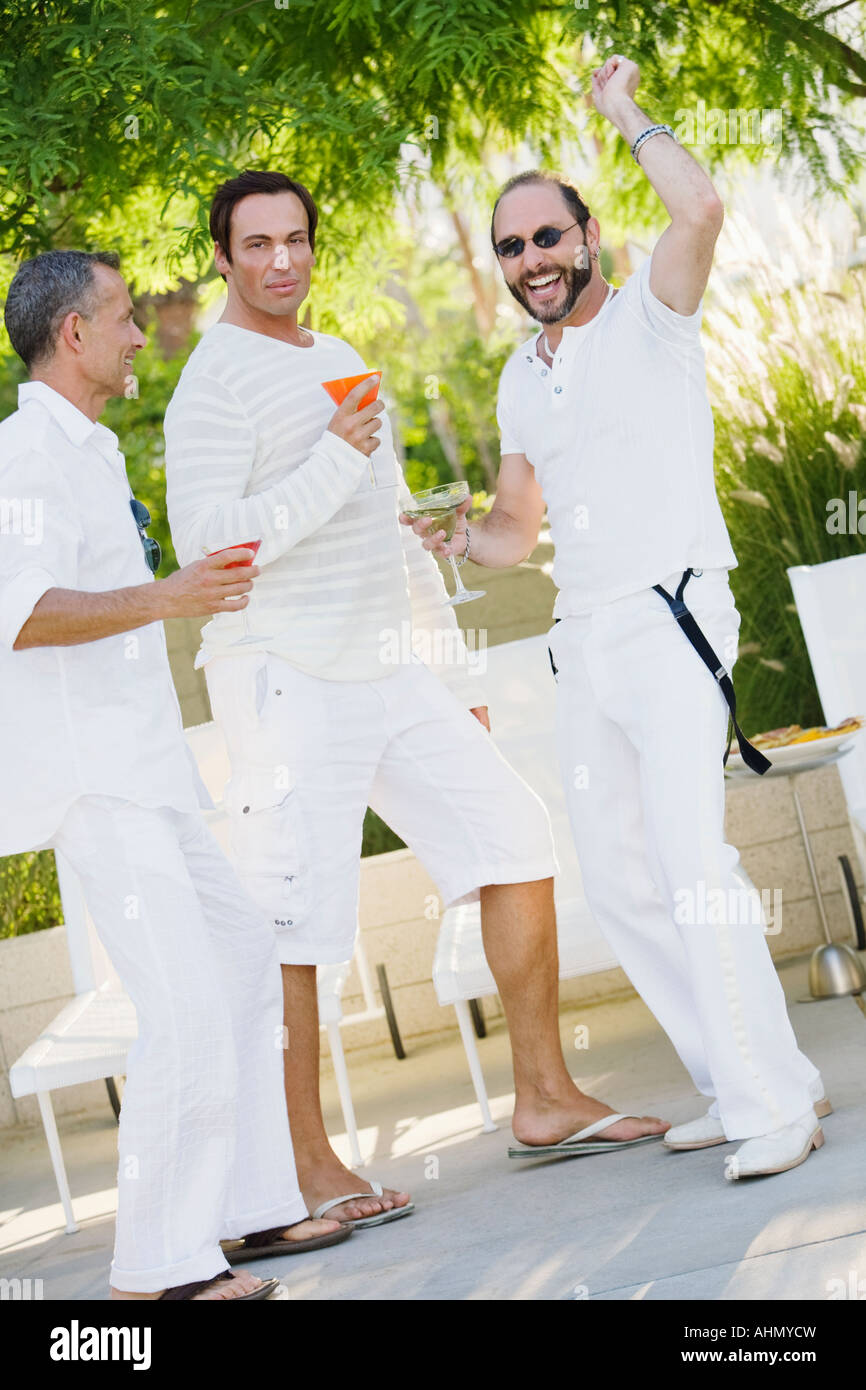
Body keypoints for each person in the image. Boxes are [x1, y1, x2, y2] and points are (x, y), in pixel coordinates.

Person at [163, 170, 669, 1227]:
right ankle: (307, 1166)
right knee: (298, 924)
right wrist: (327, 466)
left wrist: (447, 667)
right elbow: (209, 547)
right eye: (255, 245)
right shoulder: (209, 383)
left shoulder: (338, 359)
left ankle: (539, 1097)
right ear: (220, 255)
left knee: (513, 837)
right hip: (282, 672)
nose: (280, 262)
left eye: (295, 240)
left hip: (388, 664)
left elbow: (393, 519)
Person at [406, 54, 831, 1181]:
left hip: (671, 616)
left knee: (692, 863)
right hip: (580, 637)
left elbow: (699, 204)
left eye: (546, 236)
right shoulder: (516, 376)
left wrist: (620, 109)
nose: (529, 260)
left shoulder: (652, 317)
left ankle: (772, 1101)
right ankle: (733, 1078)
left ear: (586, 237)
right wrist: (457, 537)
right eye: (510, 246)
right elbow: (513, 525)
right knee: (623, 878)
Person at [0, 249, 348, 1300]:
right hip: (97, 784)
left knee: (242, 958)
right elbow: (20, 612)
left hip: (149, 774)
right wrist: (169, 596)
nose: (140, 335)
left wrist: (173, 596)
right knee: (185, 1010)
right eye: (122, 319)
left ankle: (245, 1209)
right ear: (73, 335)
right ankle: (156, 1266)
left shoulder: (89, 449)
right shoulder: (24, 456)